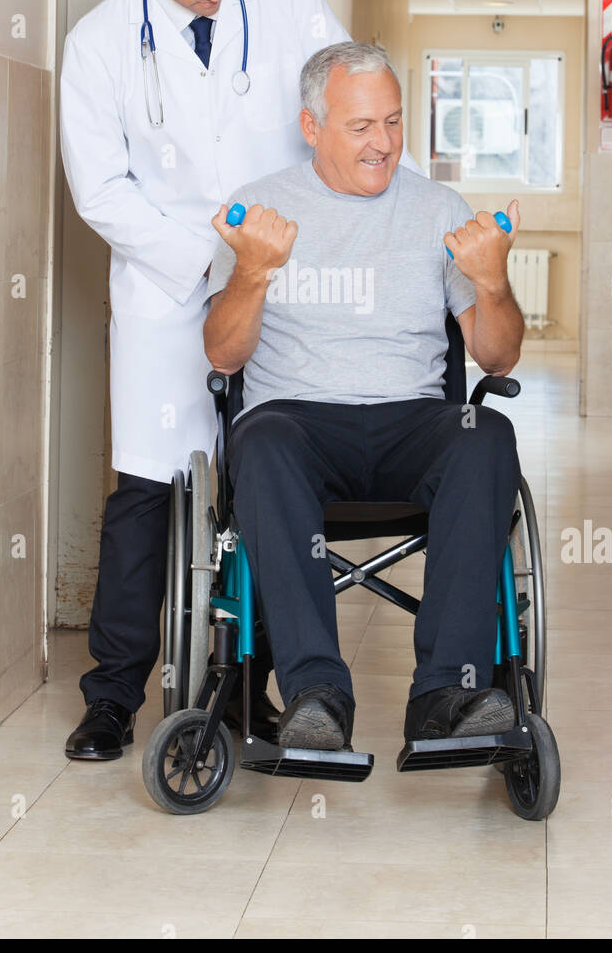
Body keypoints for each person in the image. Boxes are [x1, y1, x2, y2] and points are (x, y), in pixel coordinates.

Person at [60, 0, 352, 759]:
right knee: (148, 489)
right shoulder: (100, 41)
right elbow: (99, 189)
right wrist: (201, 260)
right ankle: (113, 697)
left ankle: (247, 690)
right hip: (165, 287)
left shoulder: (290, 0)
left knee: (268, 480)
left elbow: (345, 98)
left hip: (278, 281)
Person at [203, 41, 524, 749]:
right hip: (298, 425)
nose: (383, 144)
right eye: (361, 127)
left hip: (413, 420)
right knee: (258, 439)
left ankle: (448, 692)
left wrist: (494, 282)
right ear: (312, 127)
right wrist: (252, 273)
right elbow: (224, 355)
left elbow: (498, 354)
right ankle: (317, 693)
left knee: (486, 434)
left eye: (393, 122)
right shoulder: (258, 210)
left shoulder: (440, 208)